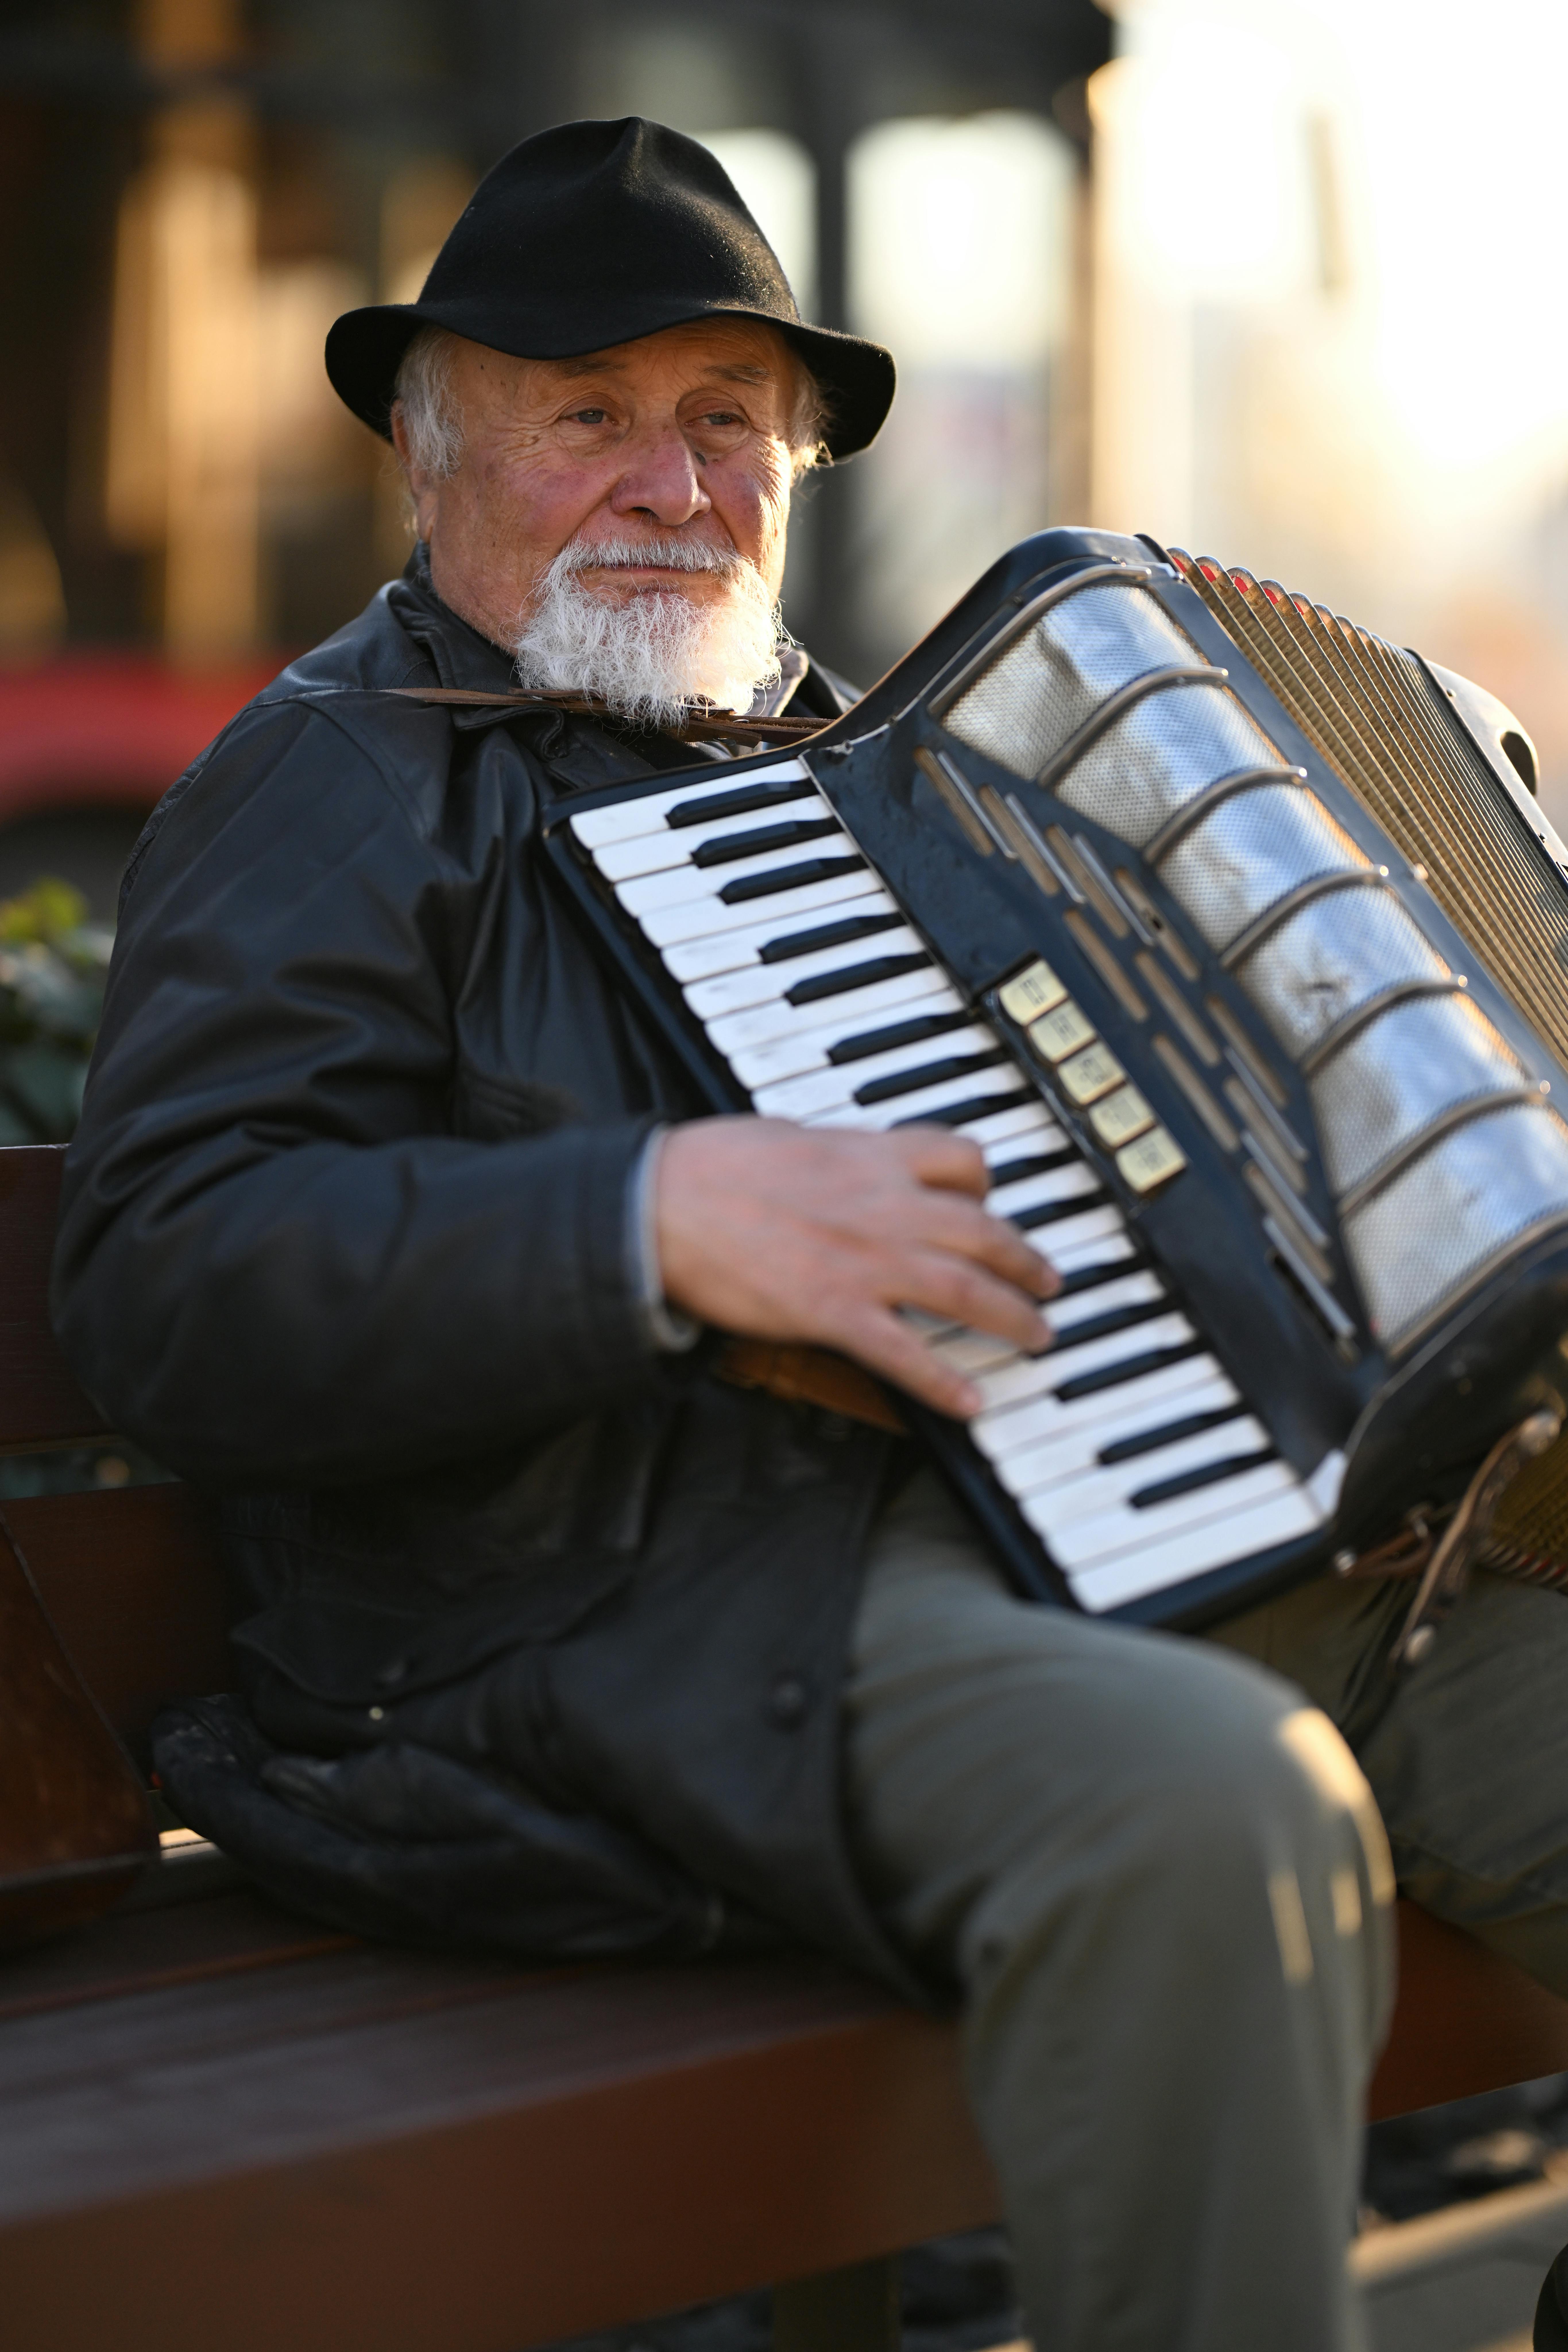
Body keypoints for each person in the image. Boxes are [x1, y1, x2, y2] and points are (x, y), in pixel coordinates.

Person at [50, 117, 1568, 2352]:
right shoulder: (340, 780)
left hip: (1091, 1538)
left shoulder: (888, 779)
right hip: (593, 1634)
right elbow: (164, 1280)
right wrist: (649, 1218)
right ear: (428, 447)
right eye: (590, 416)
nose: (673, 484)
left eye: (726, 423)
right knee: (1202, 1818)